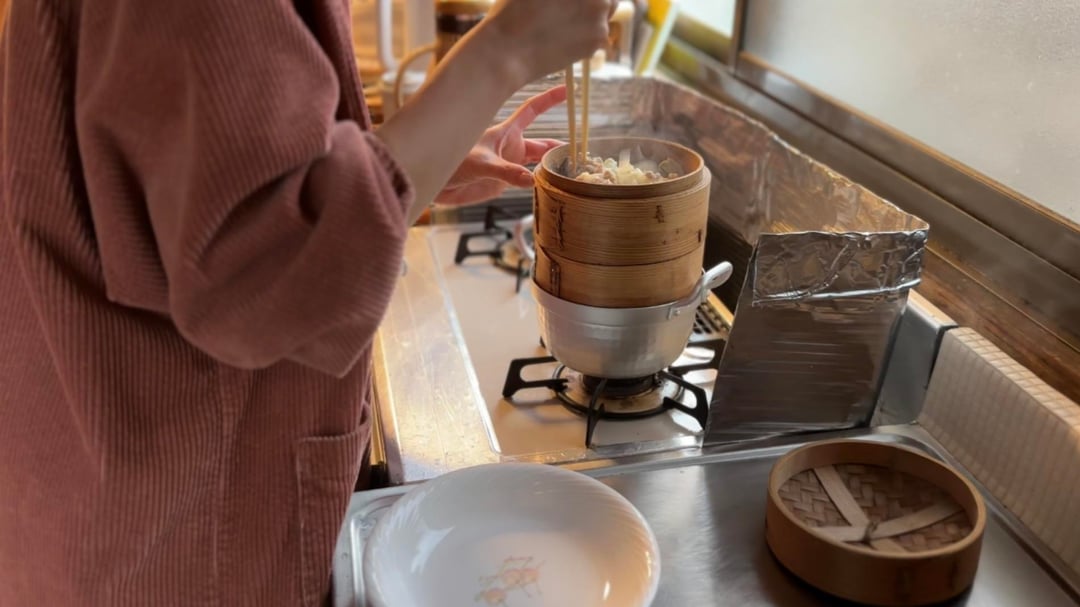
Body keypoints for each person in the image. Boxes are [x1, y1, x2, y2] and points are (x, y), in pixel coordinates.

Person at [0, 0, 614, 604]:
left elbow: (204, 172)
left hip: (90, 479)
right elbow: (266, 278)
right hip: (180, 527)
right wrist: (505, 50)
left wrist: (411, 164)